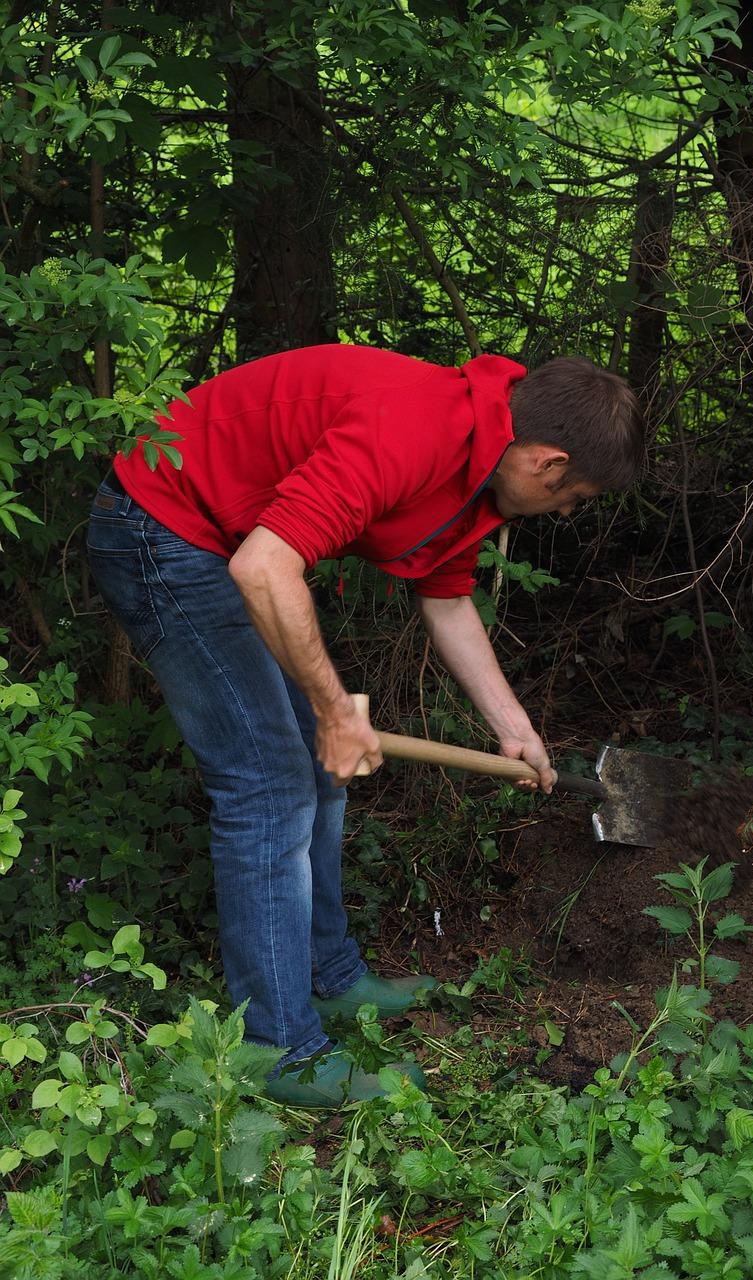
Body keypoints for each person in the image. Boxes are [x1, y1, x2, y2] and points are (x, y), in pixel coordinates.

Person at [86, 344, 643, 1107]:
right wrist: (332, 711)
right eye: (572, 497)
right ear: (549, 463)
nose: (567, 512)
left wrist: (514, 728)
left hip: (226, 544)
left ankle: (330, 977)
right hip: (161, 528)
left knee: (316, 771)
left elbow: (447, 598)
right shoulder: (413, 428)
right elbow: (264, 568)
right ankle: (278, 1050)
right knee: (270, 785)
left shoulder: (477, 466)